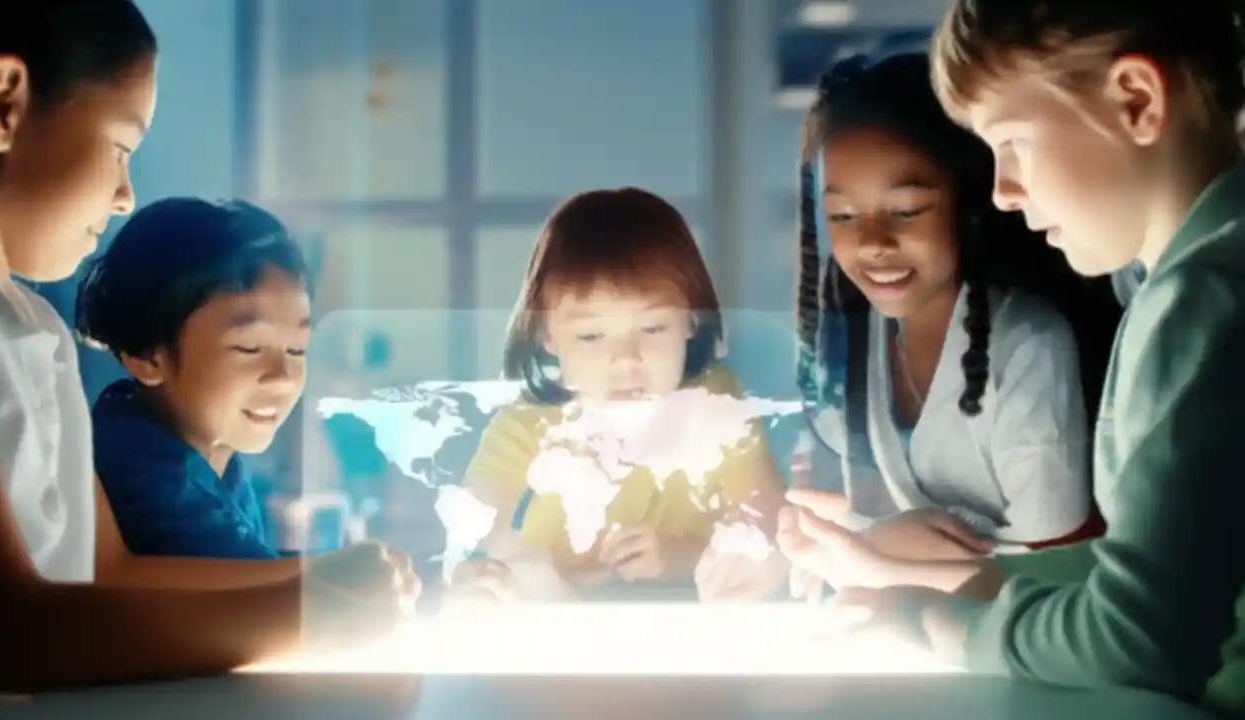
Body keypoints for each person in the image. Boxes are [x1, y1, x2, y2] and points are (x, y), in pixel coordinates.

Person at [0, 0, 415, 692]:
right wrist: (303, 611)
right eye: (120, 146)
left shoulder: (38, 327)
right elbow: (5, 632)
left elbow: (107, 570)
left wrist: (323, 578)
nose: (124, 195)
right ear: (2, 107)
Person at [827, 2, 1245, 715]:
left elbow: (1139, 636)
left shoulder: (1202, 302)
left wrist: (946, 629)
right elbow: (1152, 571)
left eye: (1012, 142)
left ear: (1136, 101)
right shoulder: (1195, 281)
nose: (1001, 192)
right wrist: (948, 583)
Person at [779, 52, 1118, 595]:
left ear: (971, 204)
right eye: (844, 215)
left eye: (907, 211)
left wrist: (875, 555)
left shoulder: (1029, 344)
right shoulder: (855, 340)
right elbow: (847, 508)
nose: (873, 242)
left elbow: (1059, 570)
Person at [456, 188, 788, 603]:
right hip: (557, 615)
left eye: (652, 329)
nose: (626, 360)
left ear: (691, 321)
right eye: (592, 336)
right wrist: (525, 565)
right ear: (547, 337)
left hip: (686, 617)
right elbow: (477, 508)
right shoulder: (534, 416)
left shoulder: (714, 402)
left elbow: (764, 507)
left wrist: (675, 557)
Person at [77, 198, 312, 559]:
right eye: (250, 347)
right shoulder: (145, 473)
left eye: (297, 349)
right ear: (147, 355)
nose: (282, 378)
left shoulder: (216, 454)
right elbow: (249, 589)